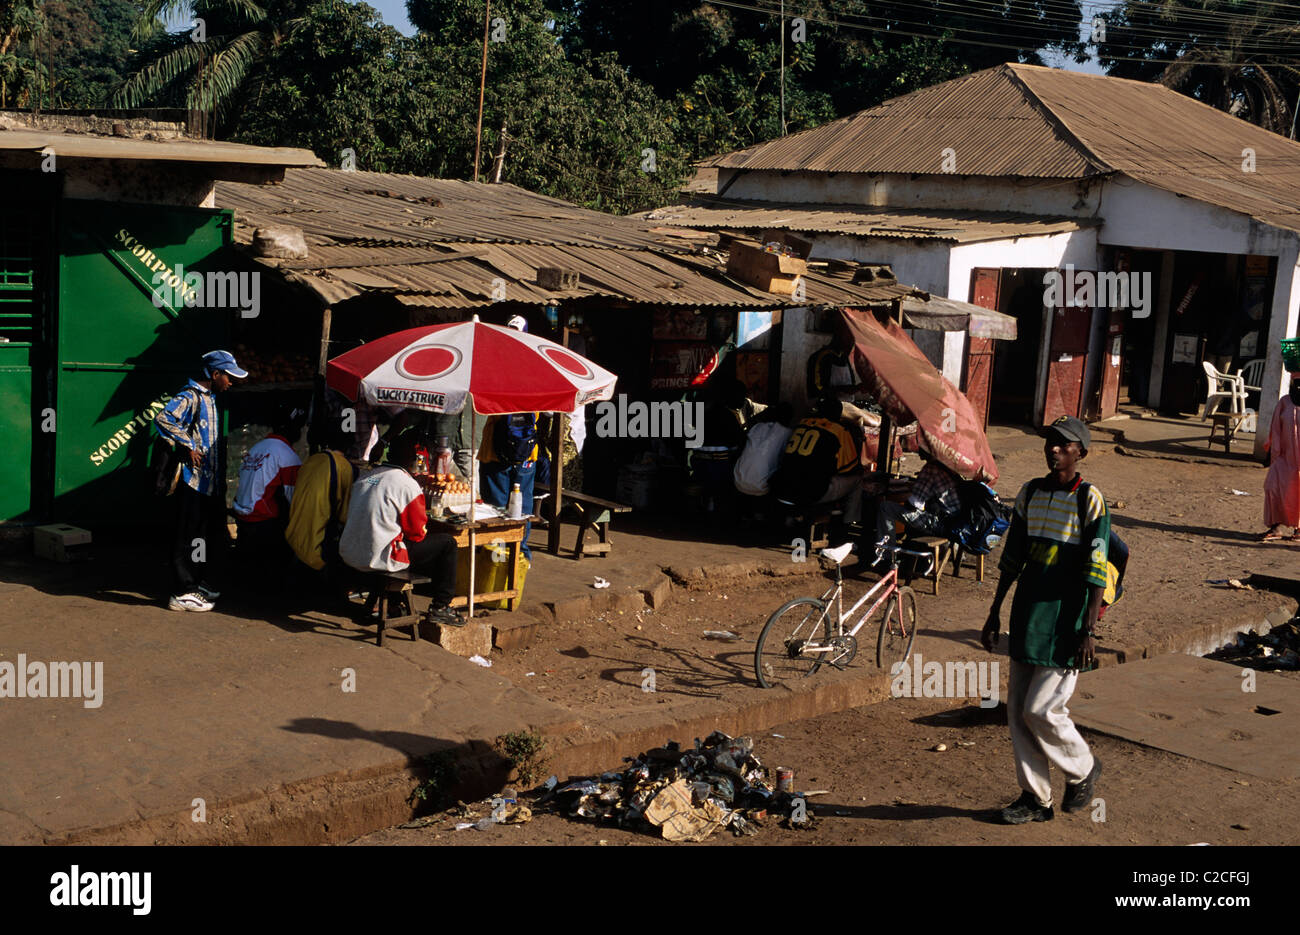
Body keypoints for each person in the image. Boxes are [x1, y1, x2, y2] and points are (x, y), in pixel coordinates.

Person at [981, 415, 1106, 824]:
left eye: (1063, 444)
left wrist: (1089, 630)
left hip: (1066, 622)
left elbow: (1097, 567)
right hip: (1027, 613)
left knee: (1041, 709)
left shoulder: (1090, 499)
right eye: (1050, 441)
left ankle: (1083, 767)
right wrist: (995, 611)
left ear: (1080, 452)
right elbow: (1012, 557)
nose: (1054, 448)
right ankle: (1035, 799)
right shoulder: (1030, 493)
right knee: (1017, 710)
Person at [155, 349, 247, 612]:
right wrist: (187, 445)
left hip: (210, 484)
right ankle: (182, 591)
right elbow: (163, 418)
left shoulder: (212, 398)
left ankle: (199, 584)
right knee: (186, 536)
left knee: (205, 535)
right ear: (215, 374)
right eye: (228, 376)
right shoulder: (190, 396)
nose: (231, 381)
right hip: (192, 481)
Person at [339, 434, 461, 627]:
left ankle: (395, 603)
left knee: (396, 537)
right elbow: (417, 534)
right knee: (448, 544)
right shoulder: (406, 485)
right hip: (379, 557)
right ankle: (441, 606)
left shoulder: (366, 476)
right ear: (410, 460)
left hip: (350, 552)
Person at [232, 406, 304, 576]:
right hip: (264, 524)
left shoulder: (257, 447)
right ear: (289, 428)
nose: (300, 432)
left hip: (243, 519)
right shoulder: (287, 455)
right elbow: (293, 500)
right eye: (298, 427)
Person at [768, 396, 864, 523]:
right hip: (809, 493)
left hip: (780, 486)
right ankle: (848, 526)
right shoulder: (839, 430)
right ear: (838, 414)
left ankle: (791, 519)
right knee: (857, 479)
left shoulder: (802, 423)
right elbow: (849, 468)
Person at [285, 421, 355, 578]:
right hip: (317, 546)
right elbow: (345, 516)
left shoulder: (311, 460)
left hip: (293, 537)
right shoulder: (343, 466)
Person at [869, 453, 961, 565]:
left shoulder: (931, 469)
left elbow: (913, 504)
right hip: (955, 522)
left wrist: (903, 494)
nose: (918, 449)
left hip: (942, 525)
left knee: (886, 507)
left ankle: (886, 555)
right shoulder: (948, 466)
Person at [1260, 372, 1300, 542]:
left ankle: (1299, 530)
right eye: (1296, 382)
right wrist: (1272, 455)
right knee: (1273, 487)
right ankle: (1275, 527)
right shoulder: (1284, 402)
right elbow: (1275, 430)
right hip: (1284, 458)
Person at [806, 317, 862, 402]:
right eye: (848, 337)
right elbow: (816, 390)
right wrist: (844, 389)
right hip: (825, 408)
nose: (851, 343)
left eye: (852, 339)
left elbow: (851, 384)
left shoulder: (844, 358)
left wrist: (857, 388)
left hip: (845, 408)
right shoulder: (822, 357)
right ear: (838, 335)